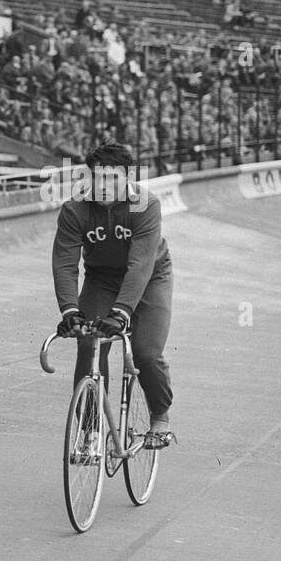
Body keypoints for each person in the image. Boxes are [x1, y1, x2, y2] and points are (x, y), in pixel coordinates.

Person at [52, 140, 175, 447]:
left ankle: (160, 417)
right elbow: (65, 264)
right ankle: (91, 428)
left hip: (149, 278)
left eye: (113, 178)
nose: (104, 185)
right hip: (102, 278)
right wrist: (69, 310)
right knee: (89, 342)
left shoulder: (145, 205)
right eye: (97, 177)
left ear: (128, 178)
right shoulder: (75, 208)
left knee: (145, 353)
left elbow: (140, 265)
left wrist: (120, 313)